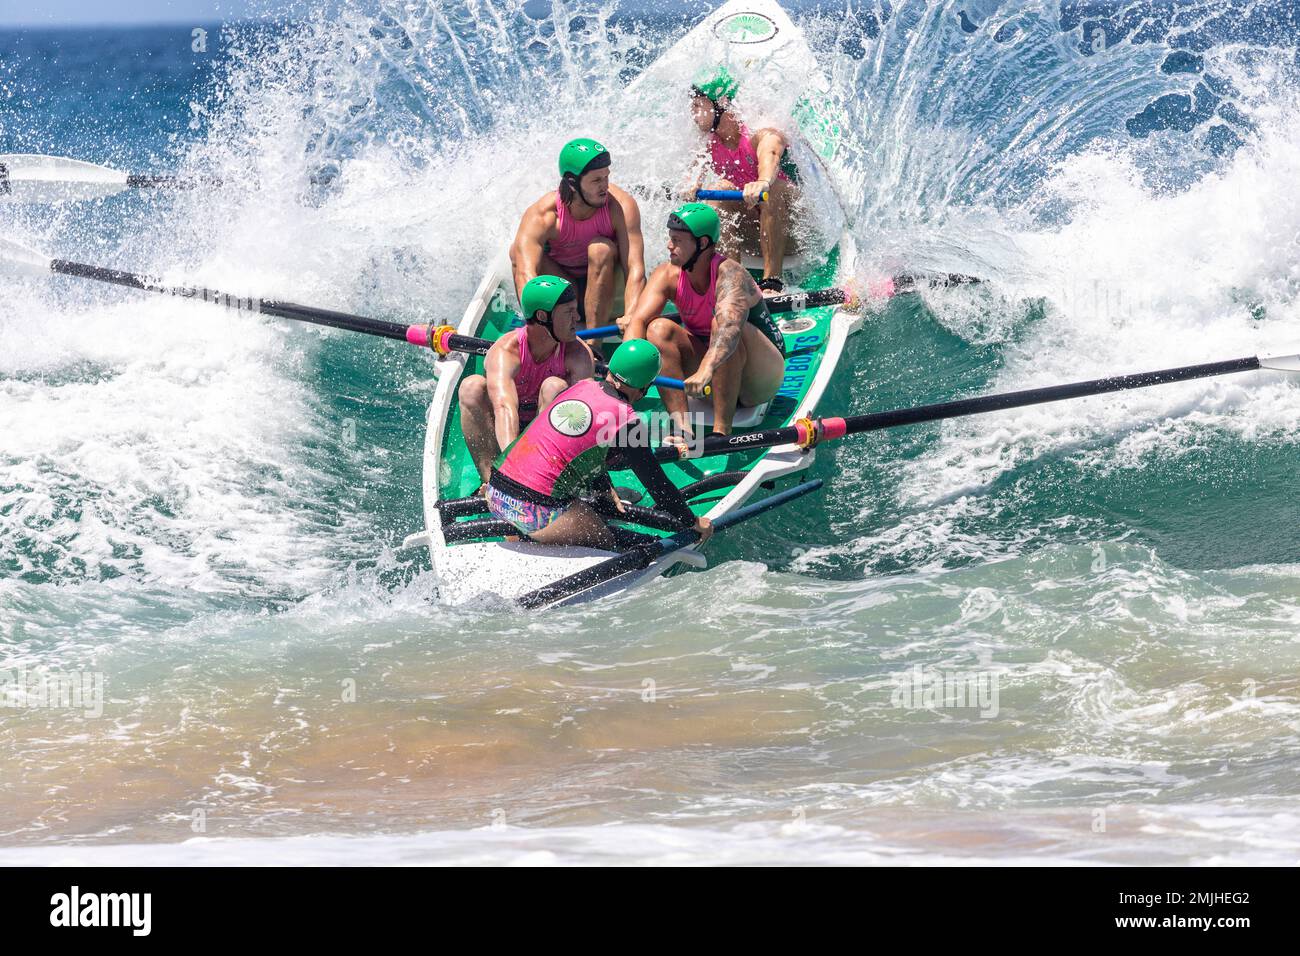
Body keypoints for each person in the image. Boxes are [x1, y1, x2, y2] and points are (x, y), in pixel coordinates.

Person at [486, 339, 713, 550]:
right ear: (644, 387)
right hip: (534, 509)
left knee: (580, 513)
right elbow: (656, 483)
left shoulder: (580, 388)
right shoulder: (626, 420)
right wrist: (691, 522)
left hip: (495, 493)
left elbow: (580, 445)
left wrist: (604, 488)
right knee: (609, 538)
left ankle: (527, 534)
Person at [619, 203, 786, 438]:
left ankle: (721, 432)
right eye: (670, 238)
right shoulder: (667, 275)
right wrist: (625, 370)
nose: (669, 245)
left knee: (721, 326)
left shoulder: (730, 274)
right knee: (657, 329)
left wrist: (706, 369)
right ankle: (682, 428)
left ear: (703, 243)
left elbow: (729, 329)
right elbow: (637, 321)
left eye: (677, 240)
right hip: (715, 372)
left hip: (759, 377)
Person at [458, 275, 595, 487]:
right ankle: (492, 481)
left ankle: (544, 477)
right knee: (471, 387)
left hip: (549, 434)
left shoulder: (578, 353)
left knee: (554, 387)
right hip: (504, 428)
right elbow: (504, 408)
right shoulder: (506, 351)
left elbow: (583, 420)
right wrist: (513, 470)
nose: (577, 318)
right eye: (569, 312)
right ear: (542, 316)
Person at [510, 137, 647, 328]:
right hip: (566, 291)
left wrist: (633, 315)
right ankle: (542, 328)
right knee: (516, 252)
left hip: (613, 295)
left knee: (600, 249)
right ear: (572, 183)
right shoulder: (543, 216)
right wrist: (541, 323)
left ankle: (594, 348)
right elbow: (526, 273)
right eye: (597, 180)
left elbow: (636, 269)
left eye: (607, 177)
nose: (605, 186)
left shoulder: (621, 207)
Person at [688, 67, 800, 293]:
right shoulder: (708, 143)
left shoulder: (760, 133)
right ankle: (734, 285)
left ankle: (772, 283)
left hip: (793, 238)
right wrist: (689, 186)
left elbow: (772, 152)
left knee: (774, 189)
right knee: (718, 190)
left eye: (698, 106)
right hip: (753, 239)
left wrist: (763, 181)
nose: (693, 114)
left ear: (720, 104)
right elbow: (691, 175)